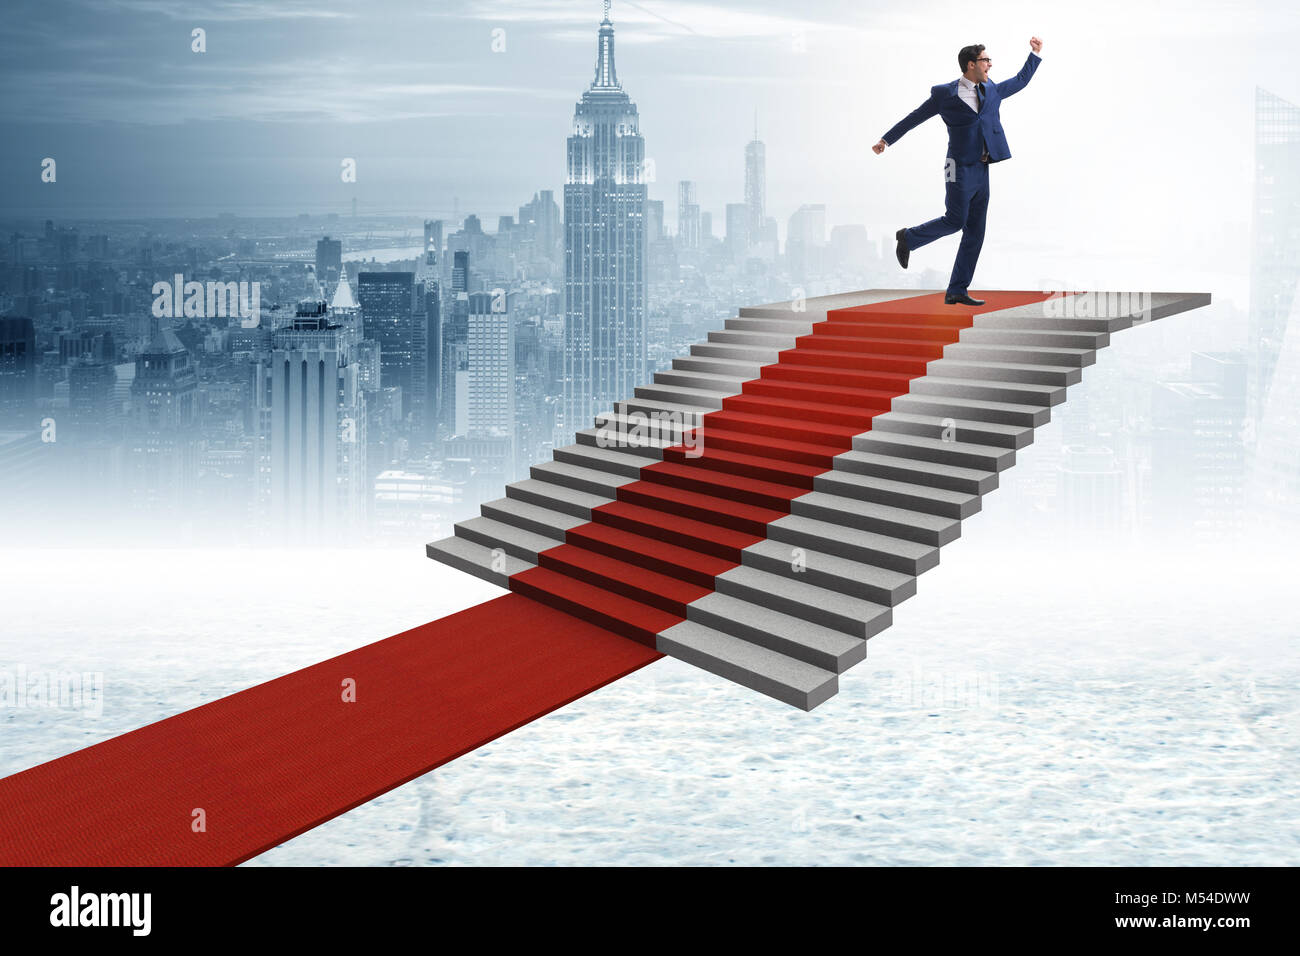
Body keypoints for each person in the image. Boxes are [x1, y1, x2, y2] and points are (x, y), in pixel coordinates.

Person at [874, 37, 1043, 306]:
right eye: (986, 60)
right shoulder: (944, 94)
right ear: (970, 64)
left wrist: (1034, 54)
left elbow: (1021, 81)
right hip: (957, 166)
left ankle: (957, 289)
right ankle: (909, 237)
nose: (990, 64)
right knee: (955, 220)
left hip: (982, 168)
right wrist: (886, 140)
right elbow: (914, 117)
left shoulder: (992, 90)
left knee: (975, 231)